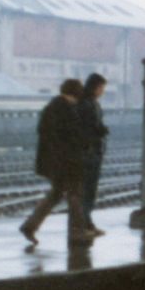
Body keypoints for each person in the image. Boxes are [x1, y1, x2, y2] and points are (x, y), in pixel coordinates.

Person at [21, 78, 93, 247]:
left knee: (56, 194)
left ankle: (29, 226)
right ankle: (77, 231)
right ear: (76, 94)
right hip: (66, 161)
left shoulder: (51, 108)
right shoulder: (65, 110)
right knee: (75, 194)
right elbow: (71, 137)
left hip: (54, 161)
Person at [77, 73, 109, 235]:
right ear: (95, 87)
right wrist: (101, 130)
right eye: (101, 88)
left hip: (94, 151)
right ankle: (84, 224)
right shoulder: (86, 104)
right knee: (87, 190)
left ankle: (87, 223)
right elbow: (88, 128)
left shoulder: (91, 103)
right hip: (88, 152)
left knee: (90, 190)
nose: (102, 91)